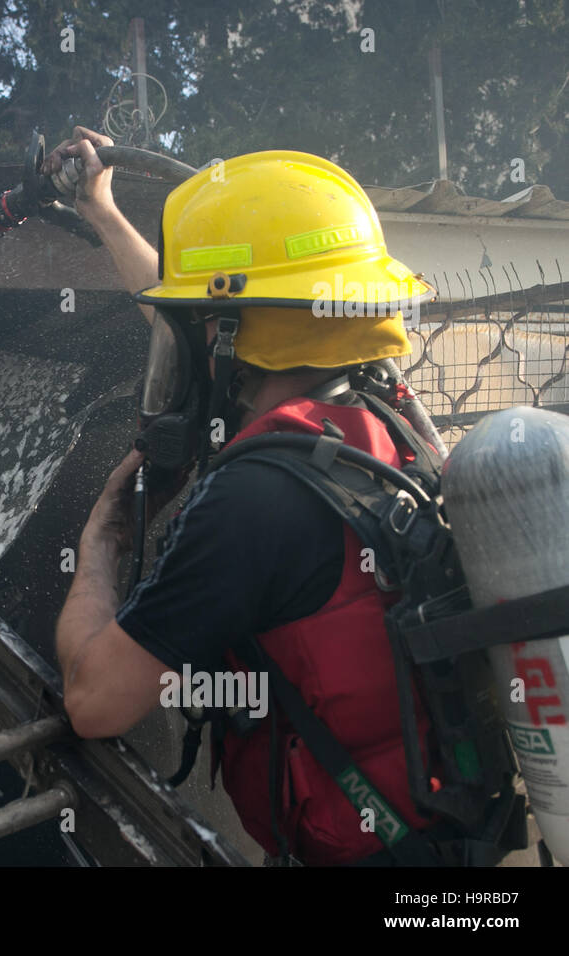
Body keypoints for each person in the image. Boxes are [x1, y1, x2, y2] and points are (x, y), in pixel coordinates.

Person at [49, 127, 450, 865]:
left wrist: (99, 545)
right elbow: (208, 321)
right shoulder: (389, 419)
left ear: (228, 333)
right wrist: (104, 213)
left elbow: (94, 702)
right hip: (445, 838)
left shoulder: (255, 498)